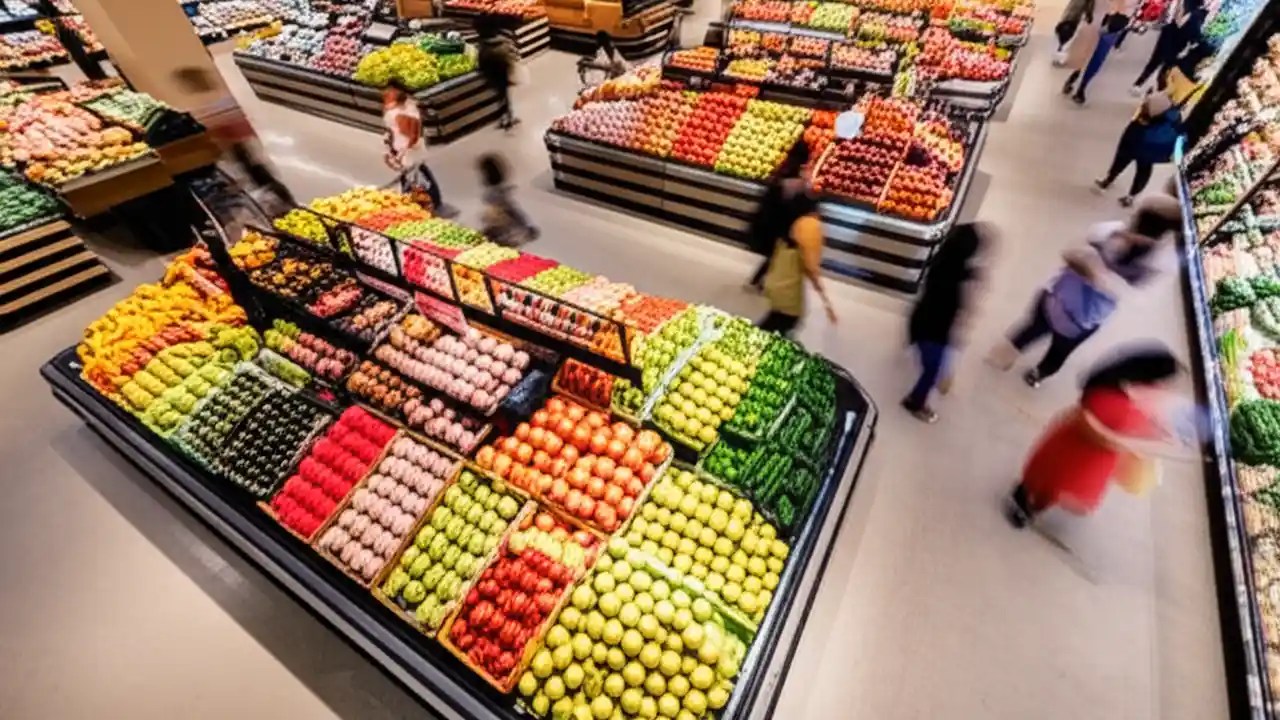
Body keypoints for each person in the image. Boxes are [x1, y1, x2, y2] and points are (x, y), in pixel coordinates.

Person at [990, 196, 1181, 387]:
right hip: (1068, 303)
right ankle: (1018, 360)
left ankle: (1037, 371)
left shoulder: (1156, 262)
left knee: (1054, 344)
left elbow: (1123, 291)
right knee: (1036, 331)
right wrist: (1096, 269)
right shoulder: (1109, 231)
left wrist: (1093, 268)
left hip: (1078, 310)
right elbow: (1071, 252)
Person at [1004, 345, 1181, 528]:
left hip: (1085, 451)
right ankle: (1025, 503)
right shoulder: (1110, 398)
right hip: (1081, 451)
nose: (1163, 388)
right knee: (1051, 480)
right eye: (1161, 382)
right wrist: (1143, 443)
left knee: (1051, 481)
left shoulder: (1114, 387)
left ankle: (1029, 502)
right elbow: (1096, 433)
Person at [901, 222, 993, 423]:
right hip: (934, 330)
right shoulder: (953, 279)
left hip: (922, 321)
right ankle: (914, 402)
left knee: (931, 366)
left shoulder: (943, 260)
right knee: (932, 369)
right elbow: (955, 306)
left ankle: (924, 391)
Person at [173, 67, 295, 215]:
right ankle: (288, 209)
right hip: (243, 148)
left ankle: (284, 213)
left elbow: (221, 134)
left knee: (258, 185)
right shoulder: (219, 95)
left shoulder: (203, 102)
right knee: (264, 181)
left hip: (237, 152)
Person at [757, 143, 836, 336]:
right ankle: (753, 344)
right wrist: (825, 299)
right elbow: (810, 263)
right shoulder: (806, 218)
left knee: (781, 314)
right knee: (785, 317)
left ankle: (760, 340)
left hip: (781, 257)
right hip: (788, 269)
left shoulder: (783, 180)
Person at [1094, 91, 1184, 206]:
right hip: (1134, 144)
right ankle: (1109, 179)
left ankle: (1130, 195)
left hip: (1145, 148)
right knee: (1121, 161)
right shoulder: (1149, 116)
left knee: (1141, 170)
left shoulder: (1164, 126)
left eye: (1146, 105)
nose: (1143, 106)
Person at [745, 142, 811, 292]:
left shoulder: (784, 167)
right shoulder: (796, 175)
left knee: (775, 255)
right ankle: (760, 281)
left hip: (772, 219)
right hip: (782, 222)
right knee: (777, 255)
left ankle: (759, 281)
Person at [381, 85, 454, 216]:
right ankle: (423, 199)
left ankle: (417, 201)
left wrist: (401, 152)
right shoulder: (399, 111)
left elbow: (413, 135)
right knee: (415, 174)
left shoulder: (407, 113)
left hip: (411, 151)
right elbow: (393, 131)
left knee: (415, 176)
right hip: (406, 150)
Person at [1131, 0, 1206, 94]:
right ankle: (1143, 86)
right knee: (1159, 63)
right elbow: (1194, 35)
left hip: (1174, 39)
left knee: (1161, 66)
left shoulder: (1194, 15)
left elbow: (1193, 35)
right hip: (1173, 38)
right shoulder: (1194, 15)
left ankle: (1146, 87)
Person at [1063, 6, 1130, 104]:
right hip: (1101, 19)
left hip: (1116, 24)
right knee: (1086, 55)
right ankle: (1073, 79)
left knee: (1097, 59)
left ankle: (1081, 87)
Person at [478, 153, 538, 246]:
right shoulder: (499, 195)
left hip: (504, 234)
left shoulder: (493, 196)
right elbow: (514, 212)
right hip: (507, 234)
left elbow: (508, 213)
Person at [477, 18, 520, 130]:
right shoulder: (502, 43)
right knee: (503, 96)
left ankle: (506, 117)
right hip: (502, 74)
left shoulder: (483, 46)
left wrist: (483, 72)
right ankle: (507, 118)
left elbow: (481, 61)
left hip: (493, 75)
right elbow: (511, 56)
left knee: (501, 96)